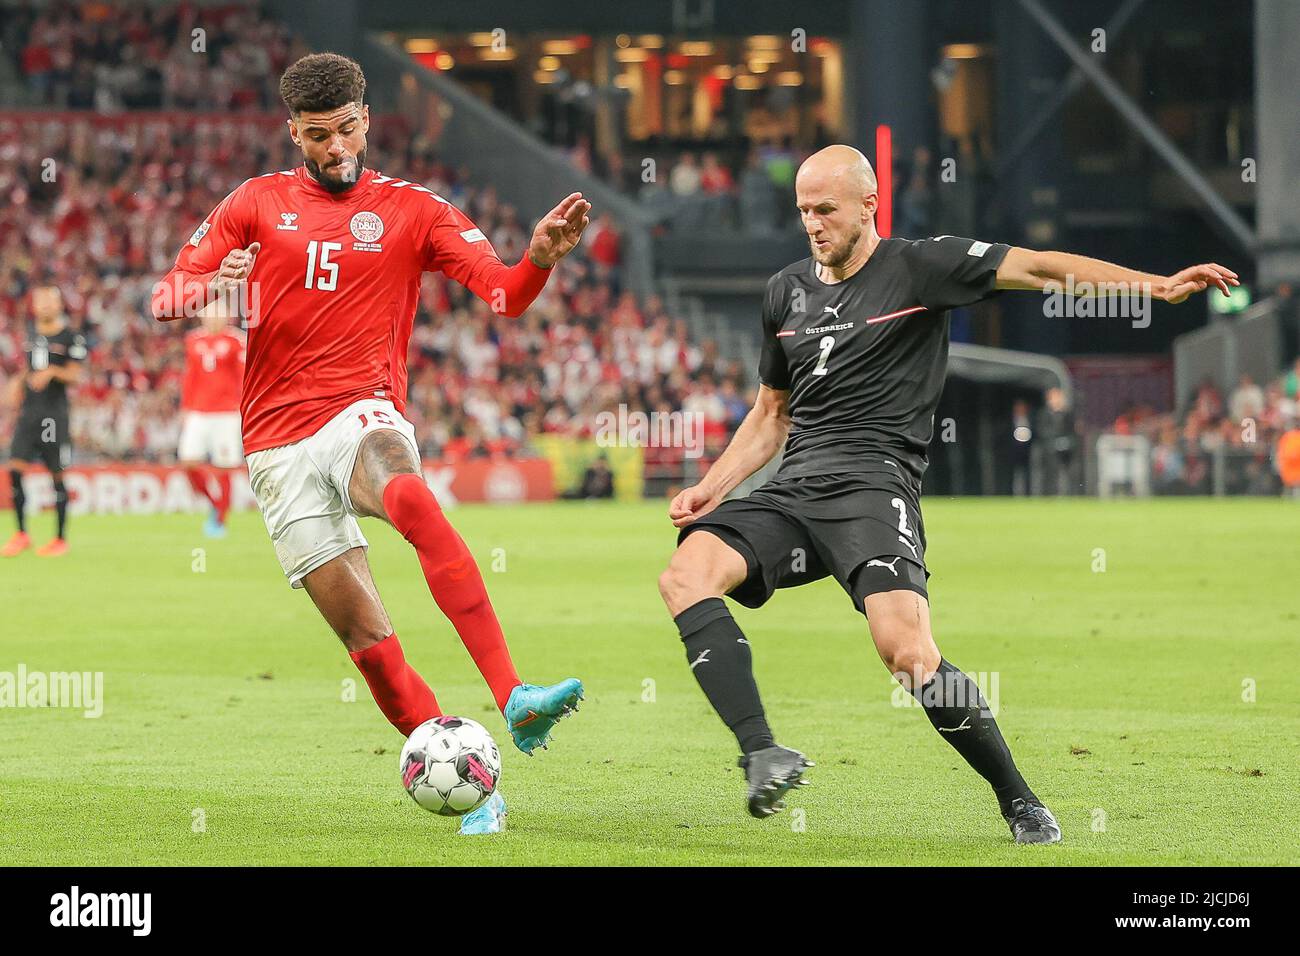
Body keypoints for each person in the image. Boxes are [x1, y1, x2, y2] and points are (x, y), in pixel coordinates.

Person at [657, 144, 1238, 842]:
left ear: (869, 204)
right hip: (793, 491)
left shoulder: (921, 266)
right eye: (804, 211)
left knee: (907, 653)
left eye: (827, 210)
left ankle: (1020, 800)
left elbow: (1039, 266)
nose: (813, 224)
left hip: (874, 488)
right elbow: (772, 413)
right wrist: (711, 487)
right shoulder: (784, 291)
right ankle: (762, 753)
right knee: (686, 574)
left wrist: (1155, 287)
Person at [151, 52, 591, 835]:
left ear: (366, 119)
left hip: (362, 409)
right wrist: (217, 284)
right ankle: (480, 792)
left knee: (408, 494)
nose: (335, 147)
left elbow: (505, 293)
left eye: (347, 128)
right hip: (276, 448)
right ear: (294, 132)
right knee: (370, 644)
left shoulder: (416, 210)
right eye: (318, 135)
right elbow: (167, 295)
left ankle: (514, 695)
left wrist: (541, 261)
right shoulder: (253, 203)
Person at [3, 283, 87, 558]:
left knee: (56, 474)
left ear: (59, 304)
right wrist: (18, 383)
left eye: (51, 301)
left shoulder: (71, 336)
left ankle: (60, 538)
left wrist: (53, 372)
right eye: (41, 301)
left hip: (54, 415)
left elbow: (75, 375)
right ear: (34, 305)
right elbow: (29, 370)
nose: (45, 306)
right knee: (14, 470)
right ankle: (22, 534)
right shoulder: (31, 334)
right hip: (29, 414)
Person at [177, 302, 245, 537]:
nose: (213, 318)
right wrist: (185, 408)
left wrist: (242, 407)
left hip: (226, 413)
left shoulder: (237, 341)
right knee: (188, 462)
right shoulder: (193, 341)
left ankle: (220, 521)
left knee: (223, 467)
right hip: (198, 411)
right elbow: (190, 376)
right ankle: (215, 503)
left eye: (218, 313)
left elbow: (243, 377)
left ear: (226, 316)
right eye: (209, 313)